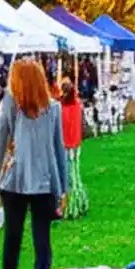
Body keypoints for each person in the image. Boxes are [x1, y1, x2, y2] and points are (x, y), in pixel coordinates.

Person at [0, 60, 68, 269]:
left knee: (19, 236)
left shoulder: (48, 108)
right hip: (37, 181)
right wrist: (63, 186)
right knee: (33, 238)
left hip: (25, 180)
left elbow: (1, 143)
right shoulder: (24, 105)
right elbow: (58, 150)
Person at [60, 81, 88, 219]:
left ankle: (71, 207)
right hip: (76, 144)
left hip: (66, 144)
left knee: (68, 177)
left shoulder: (62, 109)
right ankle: (81, 202)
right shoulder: (78, 105)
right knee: (75, 174)